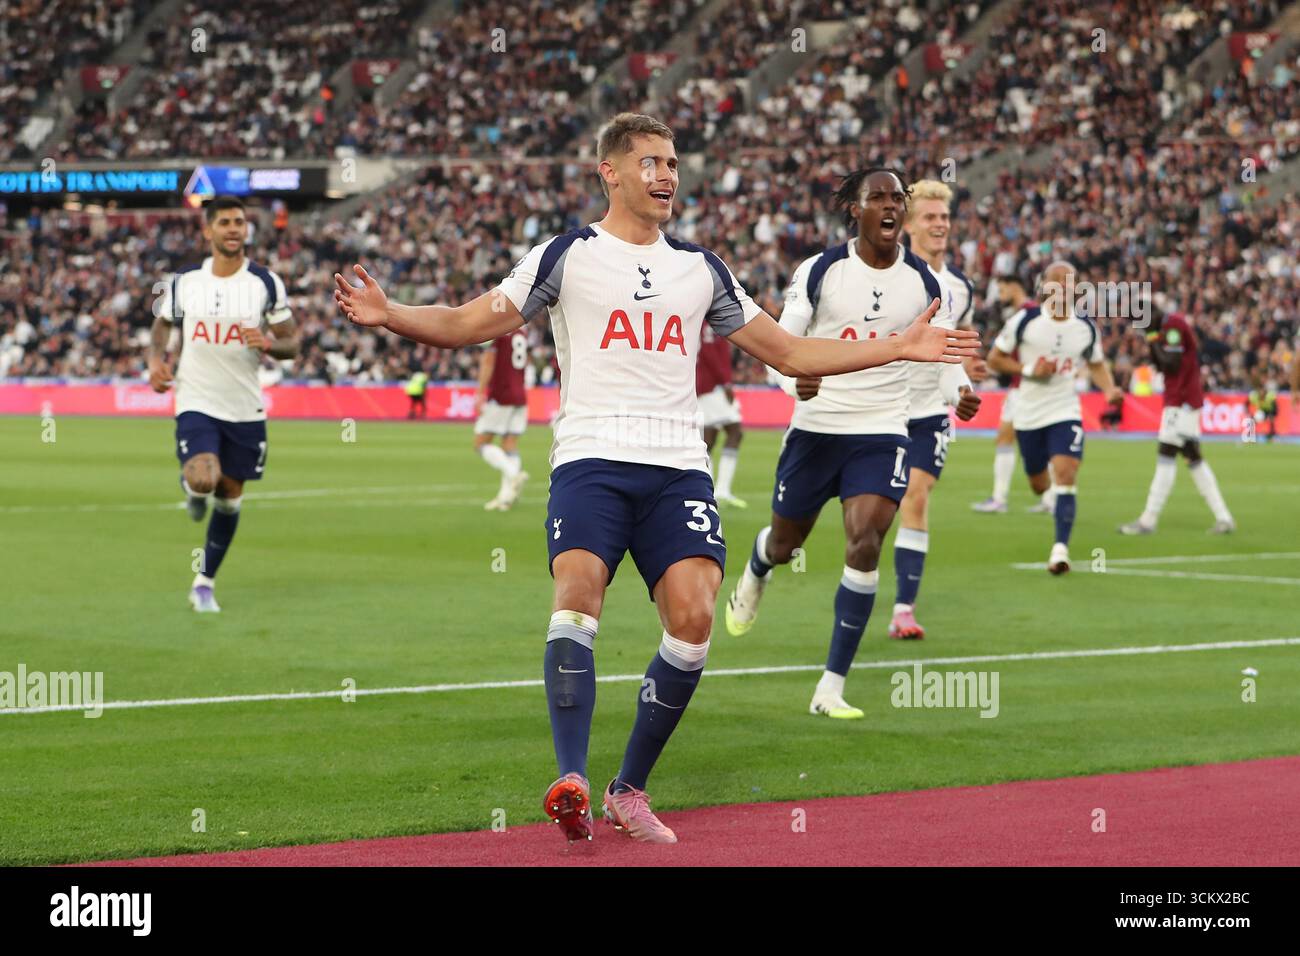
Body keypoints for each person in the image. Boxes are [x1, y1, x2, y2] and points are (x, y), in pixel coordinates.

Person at [332, 115, 979, 842]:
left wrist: (901, 346)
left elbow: (791, 354)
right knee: (577, 592)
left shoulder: (701, 269)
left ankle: (628, 787)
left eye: (673, 163)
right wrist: (393, 316)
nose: (667, 175)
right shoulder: (566, 255)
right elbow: (472, 321)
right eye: (650, 162)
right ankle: (571, 776)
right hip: (591, 459)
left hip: (677, 467)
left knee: (696, 618)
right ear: (610, 172)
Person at [724, 167, 956, 718]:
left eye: (897, 197)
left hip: (882, 429)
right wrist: (794, 382)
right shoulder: (822, 270)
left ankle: (831, 687)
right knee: (787, 545)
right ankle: (759, 566)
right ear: (855, 208)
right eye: (878, 197)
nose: (890, 205)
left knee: (865, 539)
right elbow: (784, 346)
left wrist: (961, 388)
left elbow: (938, 351)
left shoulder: (925, 282)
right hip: (816, 428)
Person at [148, 195, 299, 612]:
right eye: (225, 222)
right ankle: (191, 486)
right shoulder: (184, 282)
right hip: (196, 397)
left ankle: (204, 582)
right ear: (208, 230)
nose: (234, 228)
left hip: (245, 406)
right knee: (203, 477)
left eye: (240, 222)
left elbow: (293, 342)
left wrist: (269, 343)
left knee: (230, 494)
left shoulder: (265, 283)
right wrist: (154, 360)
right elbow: (161, 326)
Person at [889, 180, 982, 640]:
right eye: (929, 216)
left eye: (944, 217)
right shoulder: (890, 277)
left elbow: (957, 350)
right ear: (907, 225)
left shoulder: (961, 287)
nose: (940, 224)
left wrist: (964, 385)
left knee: (916, 497)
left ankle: (904, 607)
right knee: (868, 517)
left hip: (929, 412)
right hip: (881, 410)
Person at [987, 261, 1123, 574]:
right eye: (1055, 281)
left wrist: (1110, 390)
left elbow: (1097, 363)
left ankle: (1060, 550)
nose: (1061, 286)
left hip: (1065, 409)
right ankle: (1045, 489)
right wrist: (1027, 369)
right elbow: (994, 359)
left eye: (1068, 281)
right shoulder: (1027, 320)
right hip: (1028, 414)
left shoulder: (1085, 328)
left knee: (1066, 471)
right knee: (1038, 484)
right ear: (1044, 286)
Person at [1119, 312, 1235, 534]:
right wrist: (1153, 341)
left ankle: (1148, 520)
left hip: (1181, 402)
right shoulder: (1164, 329)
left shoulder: (1173, 326)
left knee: (1166, 454)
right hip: (1181, 401)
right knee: (1193, 458)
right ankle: (1224, 517)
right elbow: (1160, 364)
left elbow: (1171, 363)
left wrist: (1153, 339)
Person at [971, 273, 1054, 514]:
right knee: (1013, 440)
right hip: (1021, 385)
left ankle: (1000, 499)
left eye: (1002, 288)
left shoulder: (1028, 314)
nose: (999, 294)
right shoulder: (1026, 313)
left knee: (1007, 439)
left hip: (1026, 388)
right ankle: (1048, 499)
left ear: (1015, 286)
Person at [474, 330, 530, 510]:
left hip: (501, 394)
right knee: (509, 445)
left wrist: (480, 393)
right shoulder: (522, 333)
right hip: (520, 394)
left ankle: (514, 474)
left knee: (481, 443)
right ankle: (506, 497)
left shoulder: (498, 332)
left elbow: (488, 362)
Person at [696, 323, 746, 507]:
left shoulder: (703, 319)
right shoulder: (709, 322)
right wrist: (725, 382)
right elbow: (709, 352)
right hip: (712, 386)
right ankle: (720, 491)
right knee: (734, 431)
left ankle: (710, 492)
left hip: (705, 384)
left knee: (709, 438)